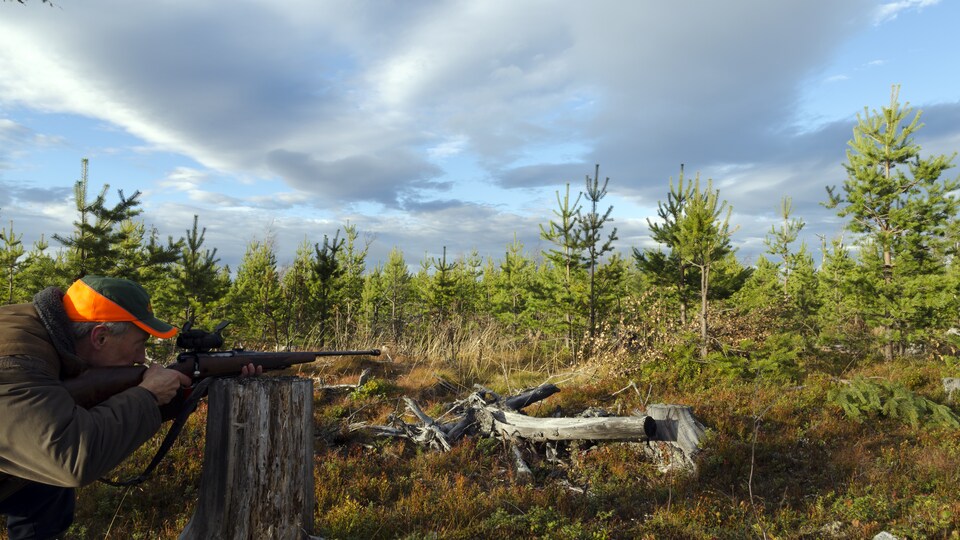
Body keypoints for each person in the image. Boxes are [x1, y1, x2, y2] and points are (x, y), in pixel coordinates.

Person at [0, 275, 255, 539]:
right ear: (100, 337)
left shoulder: (47, 333)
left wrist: (191, 390)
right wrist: (148, 395)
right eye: (139, 345)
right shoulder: (16, 362)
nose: (140, 358)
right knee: (51, 472)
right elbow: (71, 457)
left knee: (46, 489)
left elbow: (69, 407)